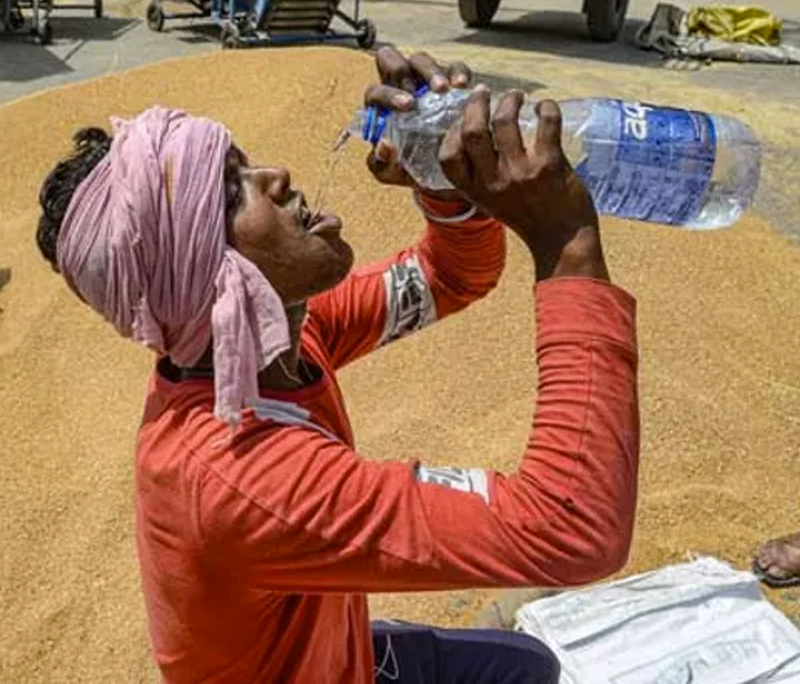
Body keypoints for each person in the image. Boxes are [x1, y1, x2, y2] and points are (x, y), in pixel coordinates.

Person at [35, 47, 639, 683]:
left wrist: (439, 176)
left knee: (526, 666)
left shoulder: (275, 345)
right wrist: (568, 252)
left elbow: (453, 275)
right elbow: (572, 529)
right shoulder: (242, 478)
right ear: (205, 276)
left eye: (246, 163)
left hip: (333, 652)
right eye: (234, 193)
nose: (279, 176)